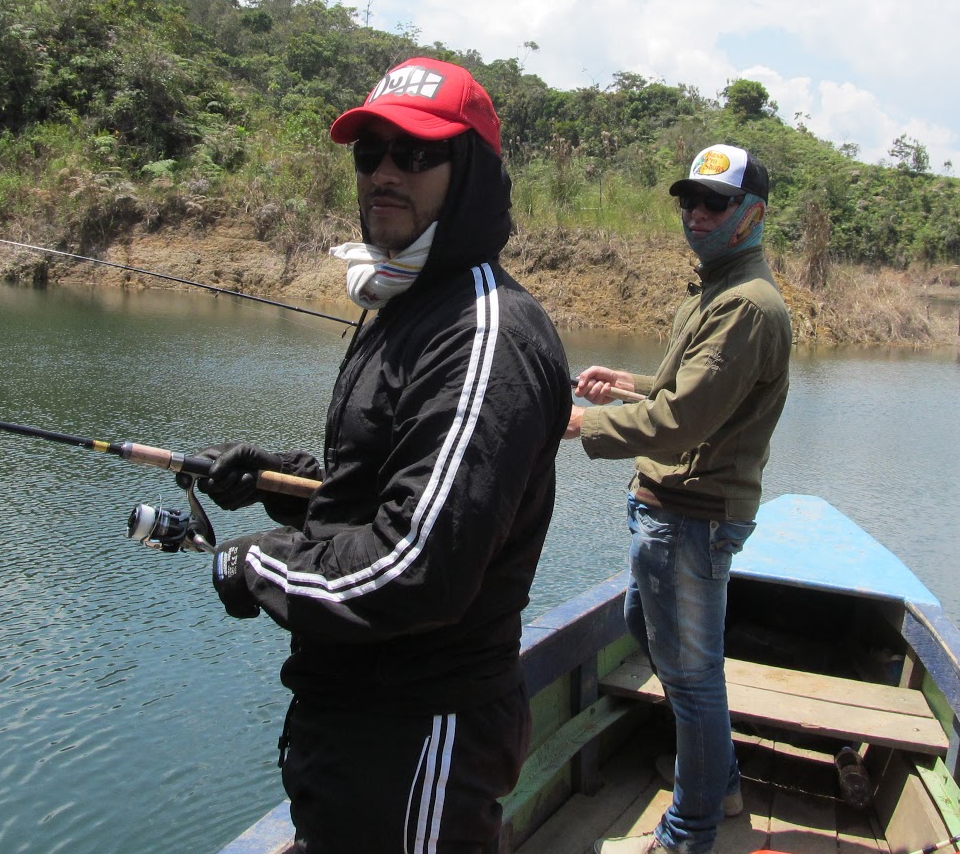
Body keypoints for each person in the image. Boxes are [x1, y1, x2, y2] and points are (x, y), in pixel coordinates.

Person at [202, 56, 573, 854]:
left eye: (416, 154)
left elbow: (414, 565)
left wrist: (258, 565)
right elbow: (388, 480)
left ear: (468, 170)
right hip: (353, 721)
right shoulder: (407, 301)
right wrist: (281, 482)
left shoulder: (484, 333)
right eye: (370, 154)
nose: (386, 174)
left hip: (418, 735)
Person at [567, 143, 792, 854]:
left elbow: (681, 425)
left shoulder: (745, 308)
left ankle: (690, 830)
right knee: (656, 637)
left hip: (691, 519)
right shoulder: (713, 292)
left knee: (692, 683)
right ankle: (716, 779)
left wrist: (577, 423)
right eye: (689, 200)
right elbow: (679, 395)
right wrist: (625, 384)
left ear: (751, 214)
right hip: (673, 510)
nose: (696, 214)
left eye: (714, 203)